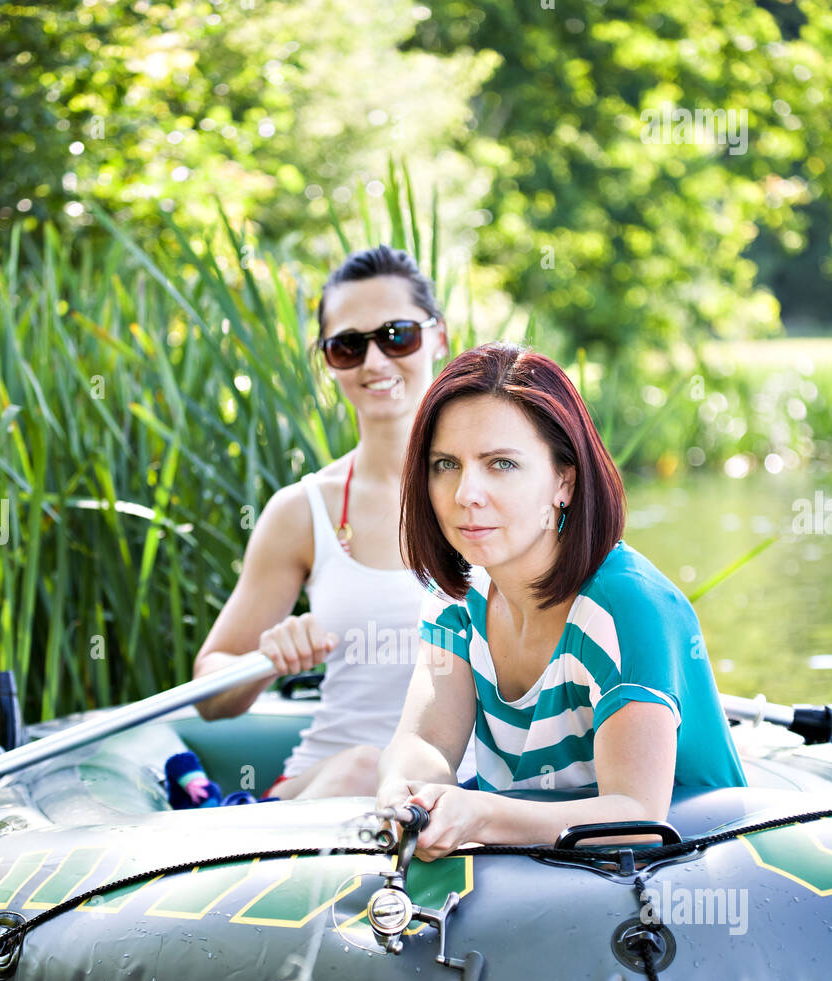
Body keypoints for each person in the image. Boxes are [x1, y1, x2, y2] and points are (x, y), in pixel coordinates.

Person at [376, 343, 747, 859]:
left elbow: (635, 816)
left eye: (501, 463)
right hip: (544, 883)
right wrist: (405, 792)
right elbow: (427, 744)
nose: (466, 493)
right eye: (446, 464)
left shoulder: (628, 607)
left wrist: (480, 813)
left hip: (686, 882)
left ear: (563, 482)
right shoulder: (456, 601)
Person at [192, 245, 450, 799]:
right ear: (328, 361)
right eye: (348, 347)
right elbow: (211, 696)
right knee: (365, 766)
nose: (375, 363)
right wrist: (266, 657)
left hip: (457, 804)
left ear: (439, 337)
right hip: (329, 793)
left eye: (397, 334)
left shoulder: (495, 495)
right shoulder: (301, 509)